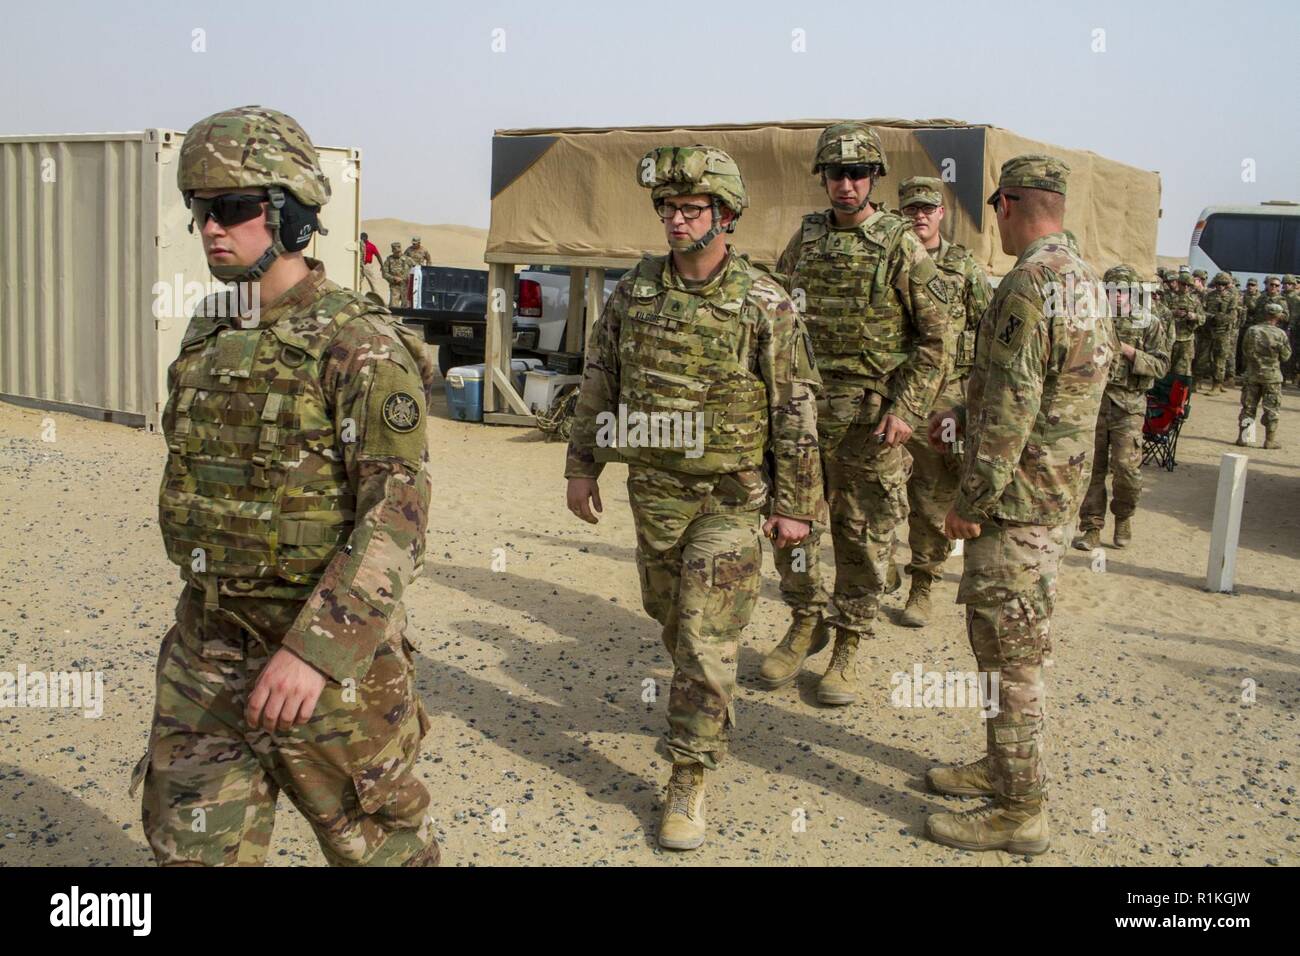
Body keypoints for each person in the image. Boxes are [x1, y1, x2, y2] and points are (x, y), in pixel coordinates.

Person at [133, 105, 440, 867]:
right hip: (207, 652)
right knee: (190, 848)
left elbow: (397, 515)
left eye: (233, 208)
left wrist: (314, 651)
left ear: (291, 214)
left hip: (324, 668)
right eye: (201, 209)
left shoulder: (357, 345)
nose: (211, 227)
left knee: (381, 852)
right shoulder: (208, 330)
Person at [563, 145, 822, 851]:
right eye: (669, 209)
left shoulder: (764, 301)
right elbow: (600, 377)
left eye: (691, 209)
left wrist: (796, 504)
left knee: (708, 642)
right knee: (673, 623)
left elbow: (796, 408)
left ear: (725, 215)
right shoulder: (634, 292)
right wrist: (582, 464)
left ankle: (689, 774)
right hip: (654, 497)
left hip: (729, 501)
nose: (676, 221)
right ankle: (700, 715)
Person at [924, 155, 1112, 854]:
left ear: (1009, 203)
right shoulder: (1084, 278)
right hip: (1053, 498)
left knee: (1011, 656)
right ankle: (1002, 768)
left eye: (995, 208)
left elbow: (1011, 406)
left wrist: (970, 502)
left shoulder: (1031, 283)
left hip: (1016, 504)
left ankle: (1019, 809)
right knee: (1010, 646)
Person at [758, 123, 947, 701]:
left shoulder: (899, 243)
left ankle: (848, 644)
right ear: (822, 178)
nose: (847, 184)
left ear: (874, 179)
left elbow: (938, 338)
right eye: (836, 173)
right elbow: (778, 317)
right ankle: (805, 618)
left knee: (864, 538)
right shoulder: (807, 238)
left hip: (871, 424)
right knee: (792, 530)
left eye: (858, 173)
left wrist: (907, 407)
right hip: (805, 417)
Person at [895, 175, 992, 627]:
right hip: (894, 391)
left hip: (944, 396)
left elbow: (986, 329)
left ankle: (923, 582)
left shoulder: (962, 267)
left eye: (926, 209)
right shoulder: (890, 257)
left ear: (940, 214)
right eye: (910, 209)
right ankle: (876, 567)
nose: (918, 216)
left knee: (932, 491)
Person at [1073, 265, 1170, 550]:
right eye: (1110, 291)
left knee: (1126, 469)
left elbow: (1162, 365)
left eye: (1121, 291)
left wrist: (1129, 351)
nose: (1116, 297)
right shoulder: (1093, 320)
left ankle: (1124, 515)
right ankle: (1091, 527)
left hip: (1129, 405)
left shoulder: (1149, 323)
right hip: (1095, 403)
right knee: (1093, 469)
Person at [1237, 302, 1291, 449]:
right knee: (1272, 409)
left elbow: (1244, 351)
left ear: (1265, 313)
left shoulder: (1252, 330)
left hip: (1252, 374)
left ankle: (1245, 438)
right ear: (1278, 316)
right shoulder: (1280, 334)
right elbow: (1286, 356)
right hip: (1271, 377)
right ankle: (1269, 441)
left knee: (1248, 408)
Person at [382, 240, 412, 307]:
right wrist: (393, 278)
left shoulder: (407, 259)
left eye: (399, 251)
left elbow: (416, 269)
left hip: (406, 286)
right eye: (396, 252)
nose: (398, 253)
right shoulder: (389, 260)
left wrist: (408, 278)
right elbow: (384, 274)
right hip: (395, 287)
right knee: (394, 307)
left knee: (407, 307)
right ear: (393, 251)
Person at [359, 231, 383, 296]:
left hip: (368, 266)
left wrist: (382, 265)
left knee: (372, 282)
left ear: (366, 238)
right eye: (360, 237)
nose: (361, 239)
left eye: (362, 237)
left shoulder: (371, 246)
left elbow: (378, 255)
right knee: (358, 282)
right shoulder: (359, 245)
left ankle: (377, 297)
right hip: (359, 265)